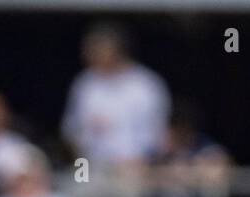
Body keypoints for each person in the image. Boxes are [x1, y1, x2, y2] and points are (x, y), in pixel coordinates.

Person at [61, 22, 170, 172]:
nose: (88, 55)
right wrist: (81, 162)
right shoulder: (85, 84)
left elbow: (159, 134)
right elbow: (70, 130)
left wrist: (142, 161)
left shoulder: (145, 84)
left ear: (116, 50)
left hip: (136, 169)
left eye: (97, 50)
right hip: (91, 167)